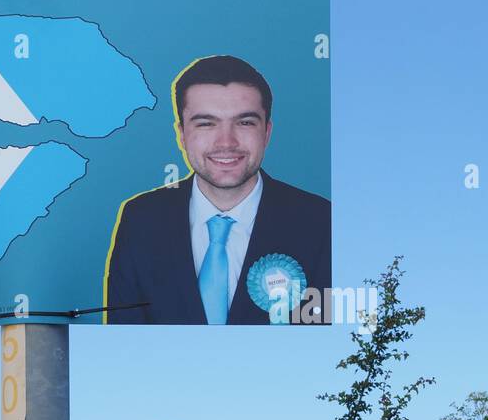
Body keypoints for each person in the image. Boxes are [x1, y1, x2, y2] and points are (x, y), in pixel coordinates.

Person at [102, 55, 331, 325]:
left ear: (267, 132)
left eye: (245, 122)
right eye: (206, 123)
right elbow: (123, 345)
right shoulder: (140, 220)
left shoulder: (321, 222)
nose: (226, 142)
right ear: (182, 134)